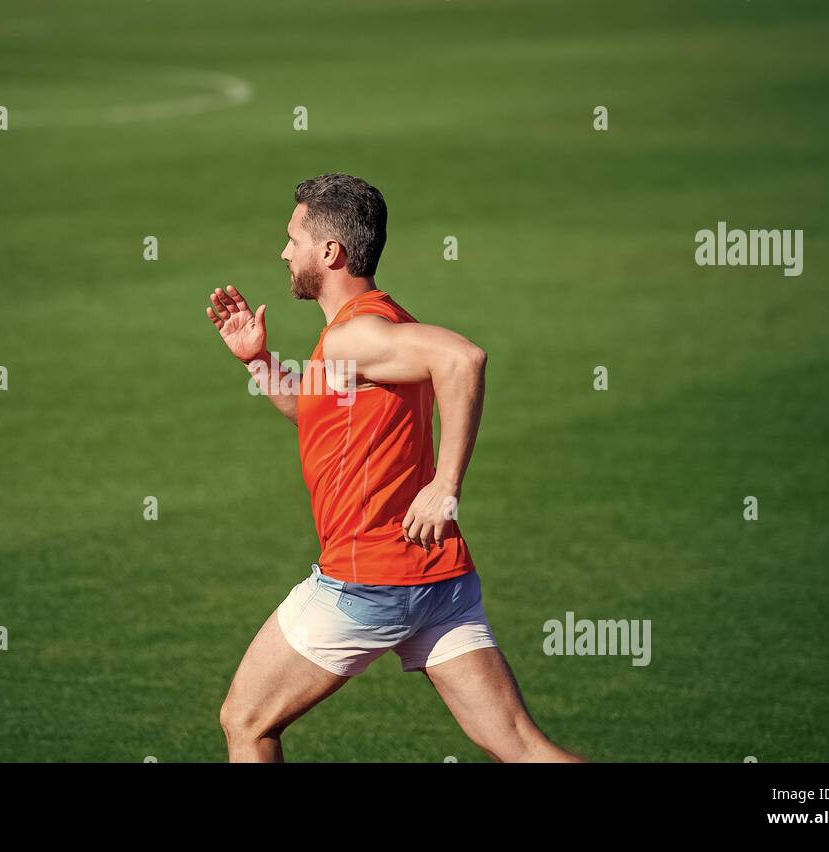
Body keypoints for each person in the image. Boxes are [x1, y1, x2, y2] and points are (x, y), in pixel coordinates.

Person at [206, 173, 584, 763]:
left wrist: (445, 485)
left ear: (329, 252)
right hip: (439, 579)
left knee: (247, 721)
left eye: (293, 239)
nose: (284, 252)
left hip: (367, 579)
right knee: (521, 747)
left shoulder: (353, 335)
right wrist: (257, 361)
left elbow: (463, 359)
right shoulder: (371, 328)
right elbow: (314, 413)